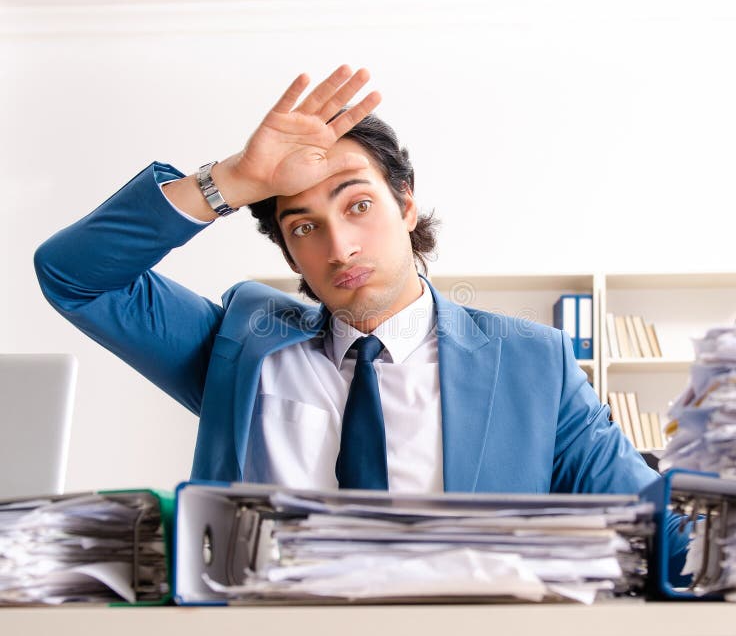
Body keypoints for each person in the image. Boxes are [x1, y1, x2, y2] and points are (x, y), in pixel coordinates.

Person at [34, 65, 688, 578]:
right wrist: (234, 179)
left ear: (406, 203)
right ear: (288, 250)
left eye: (358, 204)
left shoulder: (532, 364)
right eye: (303, 226)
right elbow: (75, 274)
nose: (339, 246)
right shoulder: (240, 342)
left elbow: (660, 530)